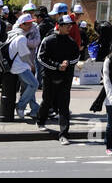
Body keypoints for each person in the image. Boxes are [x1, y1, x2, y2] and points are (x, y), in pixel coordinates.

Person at [36, 14, 81, 144]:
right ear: (59, 26)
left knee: (64, 105)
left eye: (71, 26)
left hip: (66, 78)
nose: (69, 28)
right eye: (67, 26)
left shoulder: (72, 42)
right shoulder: (49, 40)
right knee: (47, 100)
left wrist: (68, 63)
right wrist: (57, 66)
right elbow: (41, 58)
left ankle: (64, 134)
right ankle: (40, 121)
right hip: (50, 76)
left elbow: (76, 57)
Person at [10, 13, 40, 122]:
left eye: (31, 23)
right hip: (20, 66)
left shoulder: (13, 34)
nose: (30, 26)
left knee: (29, 86)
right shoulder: (21, 38)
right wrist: (31, 65)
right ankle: (20, 106)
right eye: (28, 24)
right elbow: (24, 56)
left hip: (16, 65)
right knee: (34, 84)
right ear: (22, 25)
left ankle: (35, 109)